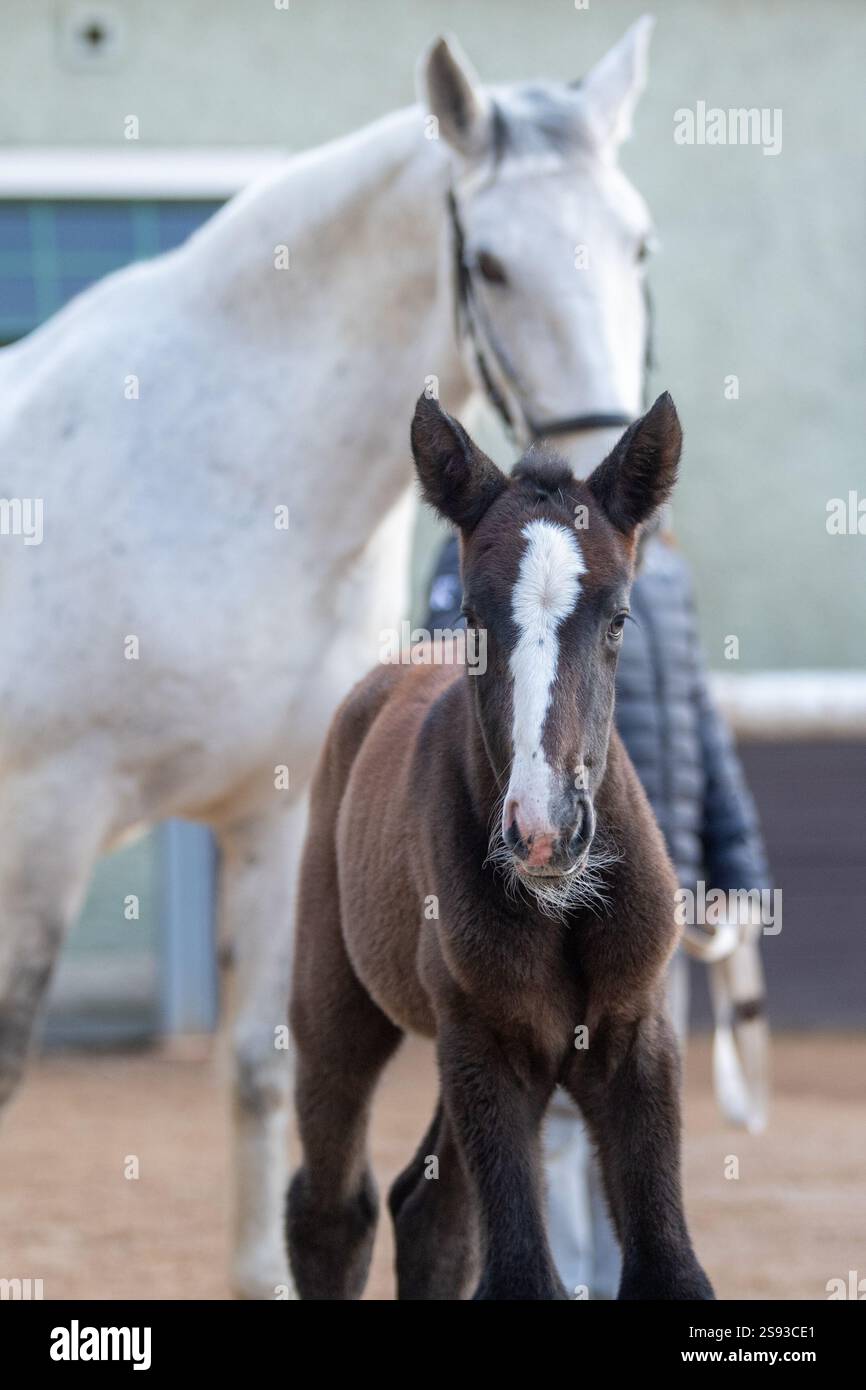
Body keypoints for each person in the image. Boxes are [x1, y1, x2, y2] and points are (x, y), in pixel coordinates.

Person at [424, 514, 771, 1297]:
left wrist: (736, 857)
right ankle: (568, 1281)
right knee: (545, 1128)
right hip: (533, 842)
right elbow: (450, 669)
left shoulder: (663, 573)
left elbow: (698, 720)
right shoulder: (508, 554)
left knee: (634, 1116)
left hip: (644, 865)